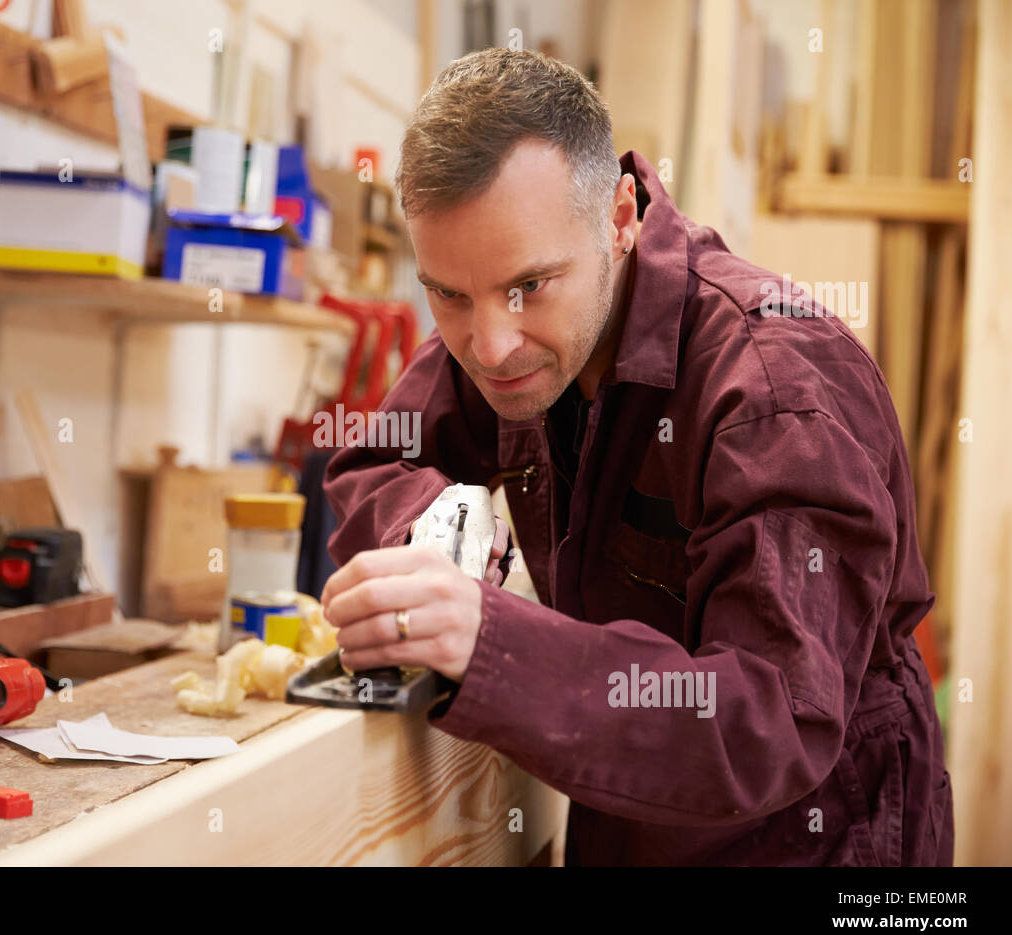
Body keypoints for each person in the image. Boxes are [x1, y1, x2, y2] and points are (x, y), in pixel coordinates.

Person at [319, 48, 953, 866]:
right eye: (446, 294)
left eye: (530, 286)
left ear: (621, 219)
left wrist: (494, 646)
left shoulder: (775, 389)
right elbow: (375, 458)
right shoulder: (510, 336)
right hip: (628, 822)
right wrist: (439, 529)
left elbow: (770, 719)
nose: (490, 345)